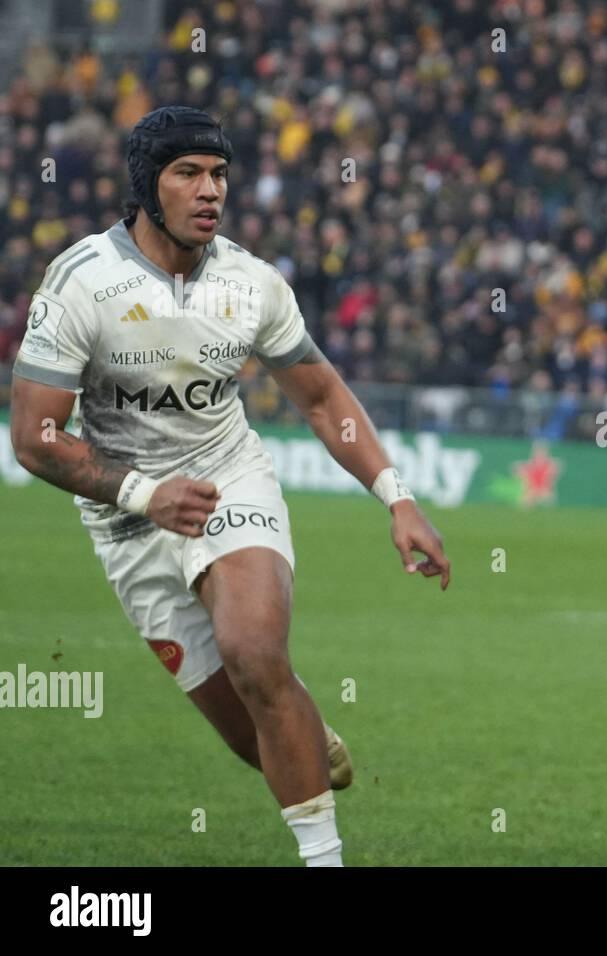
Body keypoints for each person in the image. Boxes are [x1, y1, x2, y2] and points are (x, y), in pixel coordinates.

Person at [9, 106, 452, 867]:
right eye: (188, 173)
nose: (210, 190)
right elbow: (35, 438)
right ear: (148, 187)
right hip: (128, 521)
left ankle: (325, 861)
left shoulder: (253, 284)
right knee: (256, 737)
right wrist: (145, 495)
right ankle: (300, 719)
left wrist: (397, 496)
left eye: (219, 174)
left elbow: (321, 399)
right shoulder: (82, 282)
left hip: (225, 480)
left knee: (252, 651)